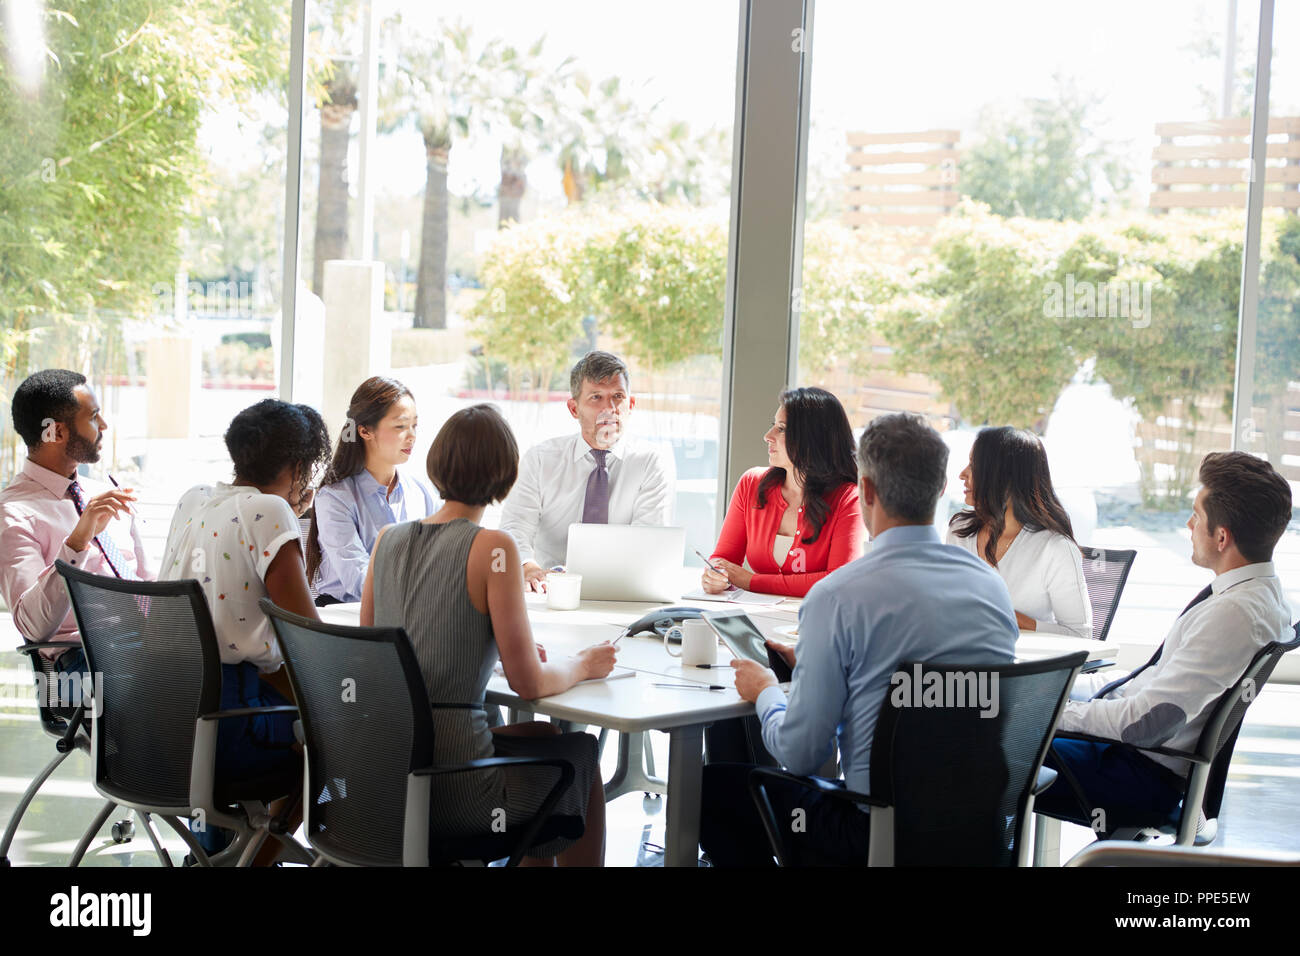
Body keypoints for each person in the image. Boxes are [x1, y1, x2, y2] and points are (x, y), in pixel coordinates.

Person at [699, 412, 1019, 866]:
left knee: (714, 789)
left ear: (866, 490)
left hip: (872, 837)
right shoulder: (990, 587)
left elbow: (803, 754)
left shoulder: (838, 597)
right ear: (940, 489)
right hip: (977, 836)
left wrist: (768, 691)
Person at [361, 404, 618, 866]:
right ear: (506, 474)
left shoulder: (386, 540)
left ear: (438, 462)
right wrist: (584, 664)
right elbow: (530, 684)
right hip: (456, 785)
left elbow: (376, 656)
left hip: (389, 772)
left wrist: (485, 648)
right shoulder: (494, 547)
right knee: (579, 752)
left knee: (540, 735)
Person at [1036, 451, 1293, 832]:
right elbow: (1158, 695)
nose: (1188, 524)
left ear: (1222, 537)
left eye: (1197, 516)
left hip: (1132, 776)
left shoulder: (1234, 614)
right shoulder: (1262, 594)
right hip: (1136, 761)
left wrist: (1047, 713)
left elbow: (1145, 724)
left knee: (982, 744)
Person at [159, 399, 330, 861]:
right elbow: (306, 637)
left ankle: (224, 855)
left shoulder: (194, 497)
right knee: (337, 747)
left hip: (165, 717)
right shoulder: (270, 510)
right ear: (298, 465)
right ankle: (252, 862)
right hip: (226, 726)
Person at [0, 370, 151, 702]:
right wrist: (77, 542)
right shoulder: (14, 513)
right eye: (94, 417)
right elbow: (33, 627)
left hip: (145, 644)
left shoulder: (105, 493)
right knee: (170, 694)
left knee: (232, 675)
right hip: (81, 663)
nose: (104, 427)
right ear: (57, 431)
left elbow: (146, 582)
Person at [499, 350, 674, 592]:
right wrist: (527, 567)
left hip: (623, 589)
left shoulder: (651, 463)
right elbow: (514, 527)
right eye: (596, 398)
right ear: (573, 408)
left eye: (618, 396)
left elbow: (650, 542)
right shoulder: (541, 460)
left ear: (631, 404)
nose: (609, 408)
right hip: (550, 589)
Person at [702, 386, 863, 599]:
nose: (768, 436)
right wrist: (716, 575)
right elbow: (723, 560)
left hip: (814, 624)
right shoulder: (751, 483)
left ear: (813, 438)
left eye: (782, 428)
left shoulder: (849, 499)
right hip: (757, 617)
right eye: (773, 426)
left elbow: (839, 581)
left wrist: (751, 581)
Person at [946, 426, 1092, 638]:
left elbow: (1080, 636)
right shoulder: (959, 532)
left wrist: (1007, 616)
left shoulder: (1055, 549)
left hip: (1020, 666)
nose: (962, 474)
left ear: (1004, 477)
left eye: (974, 465)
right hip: (961, 656)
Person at [306, 376, 438, 605]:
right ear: (365, 431)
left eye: (414, 425)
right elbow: (359, 581)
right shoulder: (336, 497)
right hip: (347, 619)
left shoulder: (421, 491)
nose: (412, 436)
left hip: (409, 614)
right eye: (400, 426)